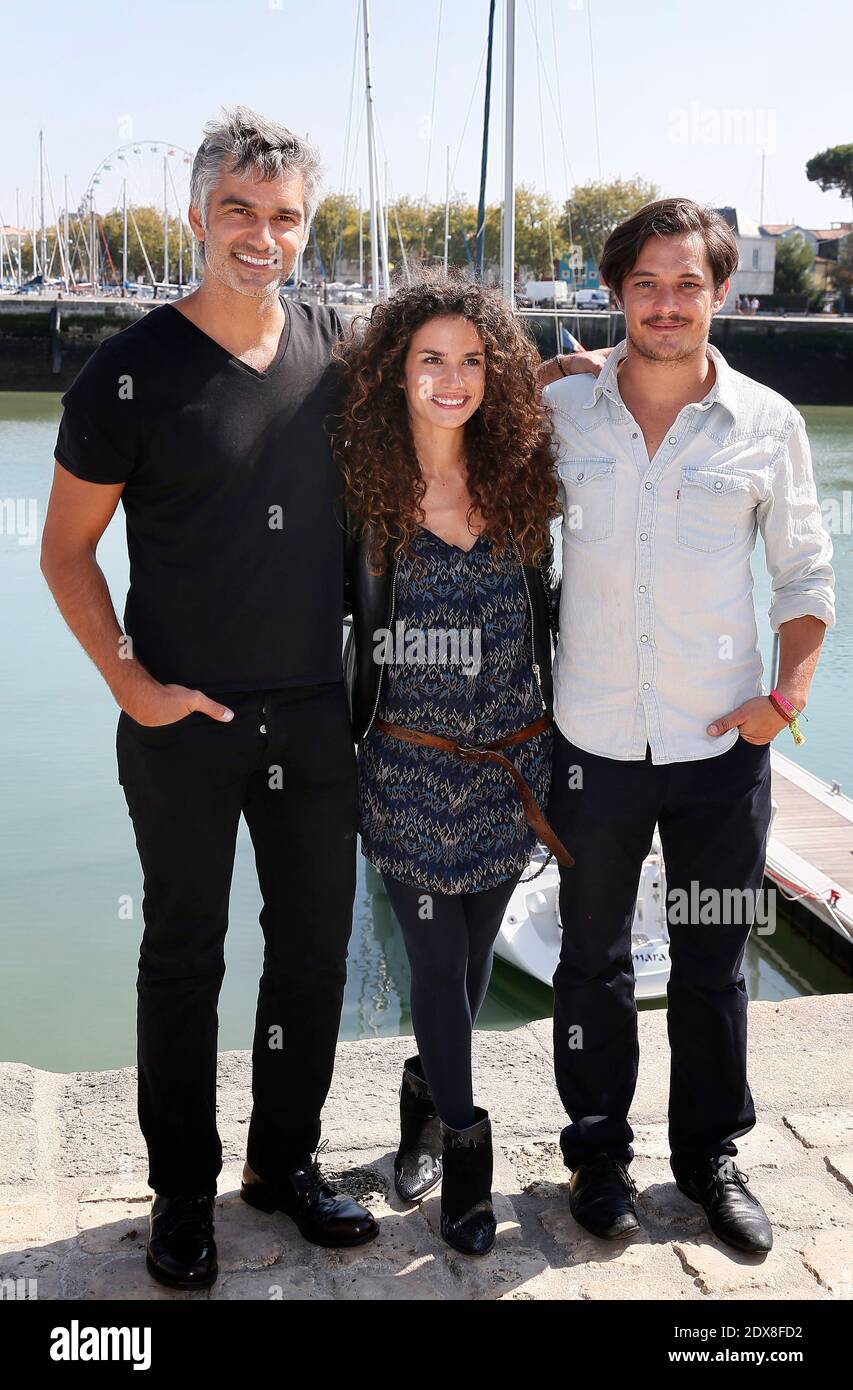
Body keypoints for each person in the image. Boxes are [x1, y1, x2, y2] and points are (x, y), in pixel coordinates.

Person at [39, 106, 379, 1291]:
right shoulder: (129, 370)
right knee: (183, 958)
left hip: (316, 718)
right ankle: (181, 1190)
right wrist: (132, 685)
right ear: (197, 217)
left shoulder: (343, 345)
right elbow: (66, 553)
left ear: (305, 228)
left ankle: (284, 1167)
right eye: (238, 209)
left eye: (284, 216)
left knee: (314, 957)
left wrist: (567, 369)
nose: (261, 234)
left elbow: (458, 386)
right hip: (183, 722)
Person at [542, 198, 835, 1253]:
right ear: (615, 293)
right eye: (645, 285)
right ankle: (598, 1155)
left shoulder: (768, 424)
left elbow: (804, 579)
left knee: (713, 963)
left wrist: (783, 698)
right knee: (590, 963)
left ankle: (709, 1158)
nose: (667, 305)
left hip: (720, 749)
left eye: (687, 284)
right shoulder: (564, 413)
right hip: (590, 744)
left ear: (720, 291)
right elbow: (456, 461)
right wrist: (530, 381)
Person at [333, 272, 571, 1256]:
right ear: (395, 369)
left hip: (515, 772)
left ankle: (421, 1111)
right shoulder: (360, 488)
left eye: (472, 359)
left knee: (471, 962)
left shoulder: (522, 474)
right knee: (436, 962)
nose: (451, 377)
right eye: (430, 357)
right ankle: (464, 1161)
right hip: (407, 773)